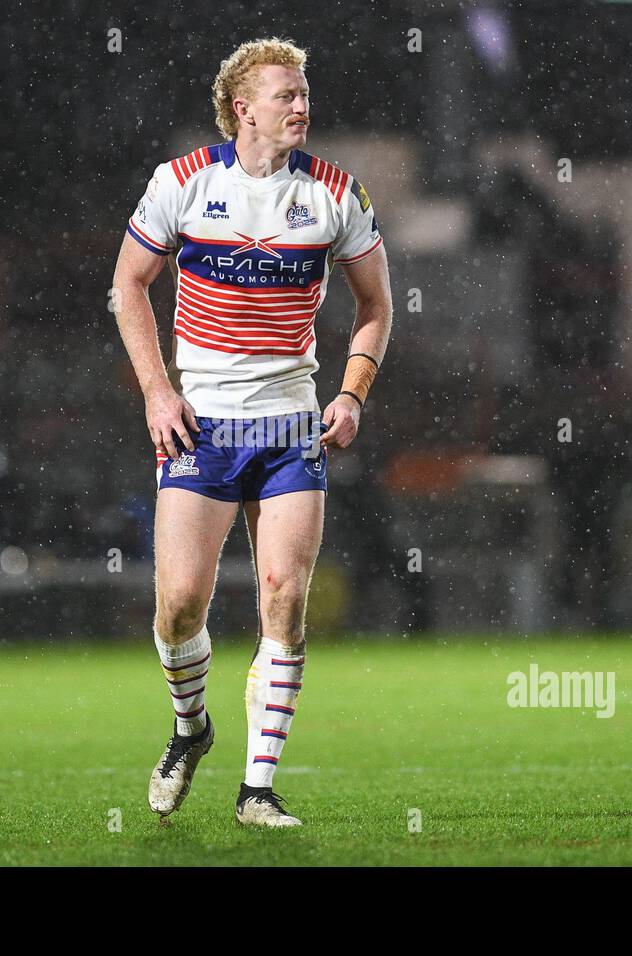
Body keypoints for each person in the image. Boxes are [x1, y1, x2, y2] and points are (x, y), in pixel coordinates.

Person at [111, 37, 393, 828]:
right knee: (178, 606)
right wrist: (157, 393)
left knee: (283, 597)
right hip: (200, 428)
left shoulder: (337, 193)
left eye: (305, 94)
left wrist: (352, 394)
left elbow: (376, 305)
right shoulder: (183, 183)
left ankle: (257, 789)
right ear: (243, 108)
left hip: (290, 425)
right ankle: (190, 730)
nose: (301, 106)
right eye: (285, 95)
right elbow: (128, 285)